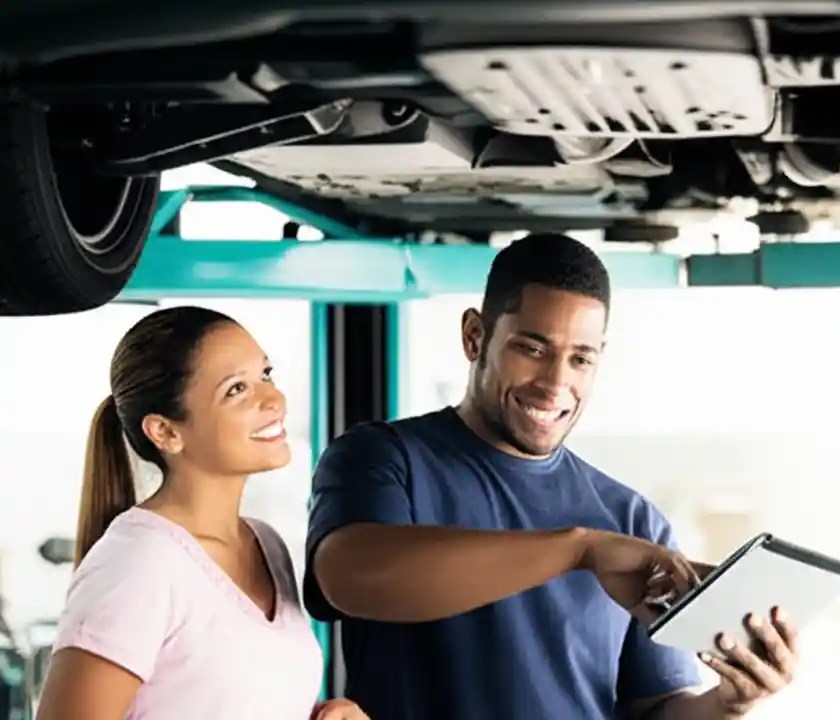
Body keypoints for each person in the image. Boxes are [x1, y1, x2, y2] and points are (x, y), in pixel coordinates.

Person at [305, 234, 801, 719]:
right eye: (533, 349)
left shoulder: (631, 519)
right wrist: (578, 551)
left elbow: (653, 709)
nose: (556, 383)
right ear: (474, 336)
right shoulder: (383, 459)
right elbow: (347, 579)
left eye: (580, 359)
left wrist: (728, 703)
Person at [37, 307, 368, 720]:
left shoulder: (266, 544)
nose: (274, 399)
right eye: (236, 389)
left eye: (266, 374)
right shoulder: (140, 560)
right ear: (166, 432)